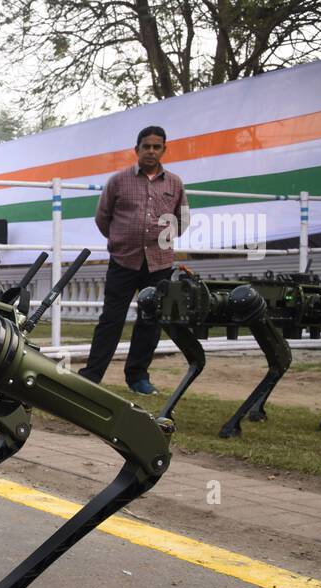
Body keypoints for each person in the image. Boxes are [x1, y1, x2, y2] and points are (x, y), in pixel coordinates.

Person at [79, 125, 189, 395]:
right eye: (146, 146)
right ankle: (91, 376)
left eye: (157, 146)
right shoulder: (118, 181)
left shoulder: (175, 183)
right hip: (123, 261)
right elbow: (102, 218)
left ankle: (138, 377)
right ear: (136, 149)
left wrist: (161, 238)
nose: (151, 151)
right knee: (111, 319)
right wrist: (122, 239)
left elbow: (182, 220)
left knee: (150, 321)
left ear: (164, 149)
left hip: (159, 263)